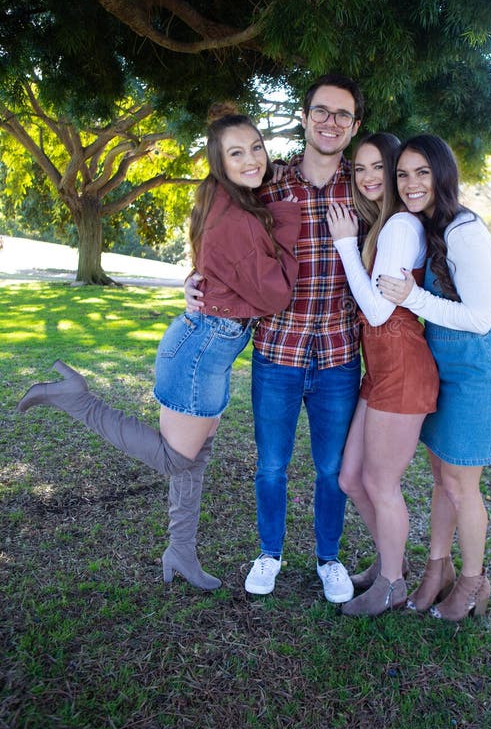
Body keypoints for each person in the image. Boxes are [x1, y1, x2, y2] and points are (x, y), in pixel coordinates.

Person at [17, 107, 301, 592]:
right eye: (237, 153)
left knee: (198, 451)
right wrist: (291, 214)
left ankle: (181, 552)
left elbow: (219, 269)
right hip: (200, 352)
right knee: (177, 459)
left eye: (257, 148)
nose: (252, 159)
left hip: (207, 343)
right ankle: (76, 399)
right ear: (218, 162)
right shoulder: (234, 216)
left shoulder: (221, 196)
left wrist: (274, 179)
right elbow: (277, 294)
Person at [185, 74, 364, 603]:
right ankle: (270, 552)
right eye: (321, 111)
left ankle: (329, 558)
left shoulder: (365, 183)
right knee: (271, 464)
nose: (331, 122)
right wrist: (195, 277)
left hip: (338, 355)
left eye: (343, 115)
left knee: (332, 468)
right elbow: (217, 228)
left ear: (354, 127)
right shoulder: (269, 181)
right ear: (305, 117)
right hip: (277, 354)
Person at [377, 134, 491, 621]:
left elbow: (479, 318)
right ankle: (437, 570)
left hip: (477, 375)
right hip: (445, 372)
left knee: (462, 485)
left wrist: (411, 297)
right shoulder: (427, 225)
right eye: (403, 174)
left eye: (422, 172)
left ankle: (474, 582)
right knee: (441, 478)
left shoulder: (465, 230)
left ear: (442, 174)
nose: (411, 183)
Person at [325, 132, 439, 616]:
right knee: (351, 478)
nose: (369, 178)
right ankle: (389, 561)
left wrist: (346, 246)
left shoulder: (398, 228)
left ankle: (392, 583)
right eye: (360, 169)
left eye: (379, 168)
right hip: (382, 369)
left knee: (380, 483)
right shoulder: (385, 225)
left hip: (403, 369)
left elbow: (375, 312)